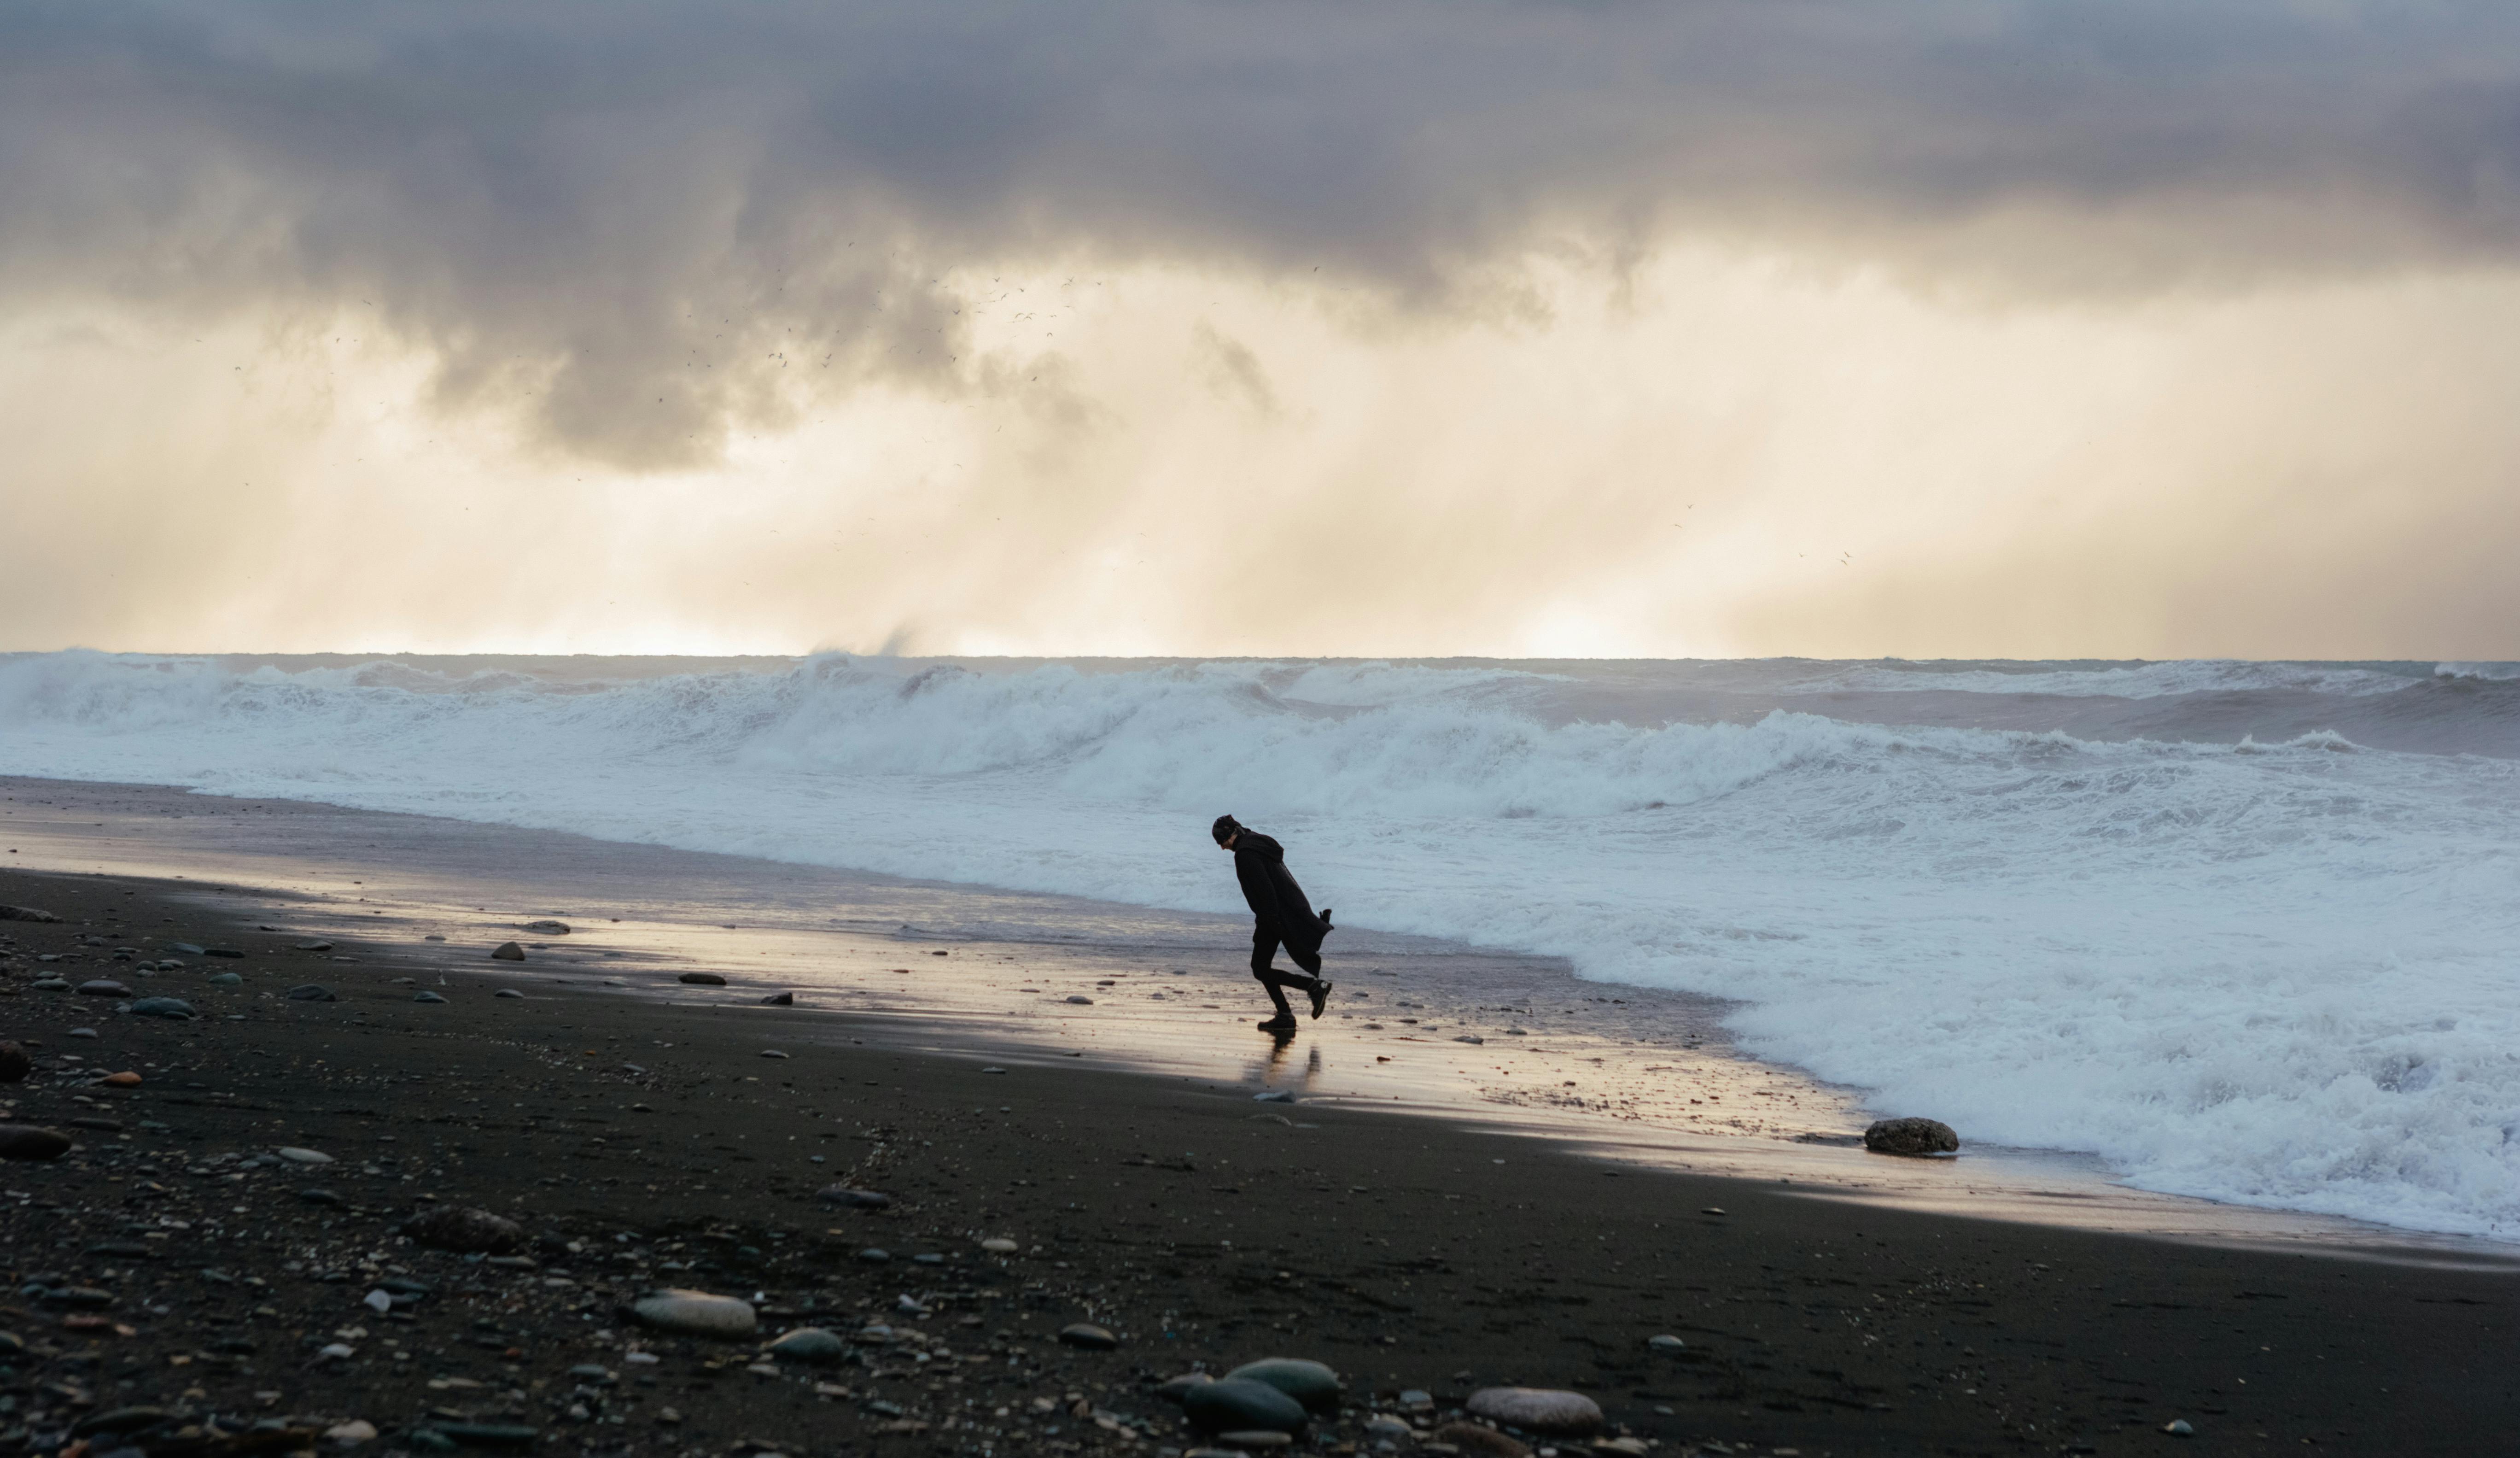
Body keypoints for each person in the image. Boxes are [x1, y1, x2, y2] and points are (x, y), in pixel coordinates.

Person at [1212, 814, 1334, 1031]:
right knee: (1261, 967)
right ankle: (1287, 1012)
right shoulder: (1258, 841)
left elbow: (1266, 891)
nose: (1222, 848)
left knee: (1259, 968)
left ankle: (1310, 990)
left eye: (1221, 842)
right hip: (1285, 911)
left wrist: (1268, 923)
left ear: (1230, 835)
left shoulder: (1245, 854)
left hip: (1274, 917)